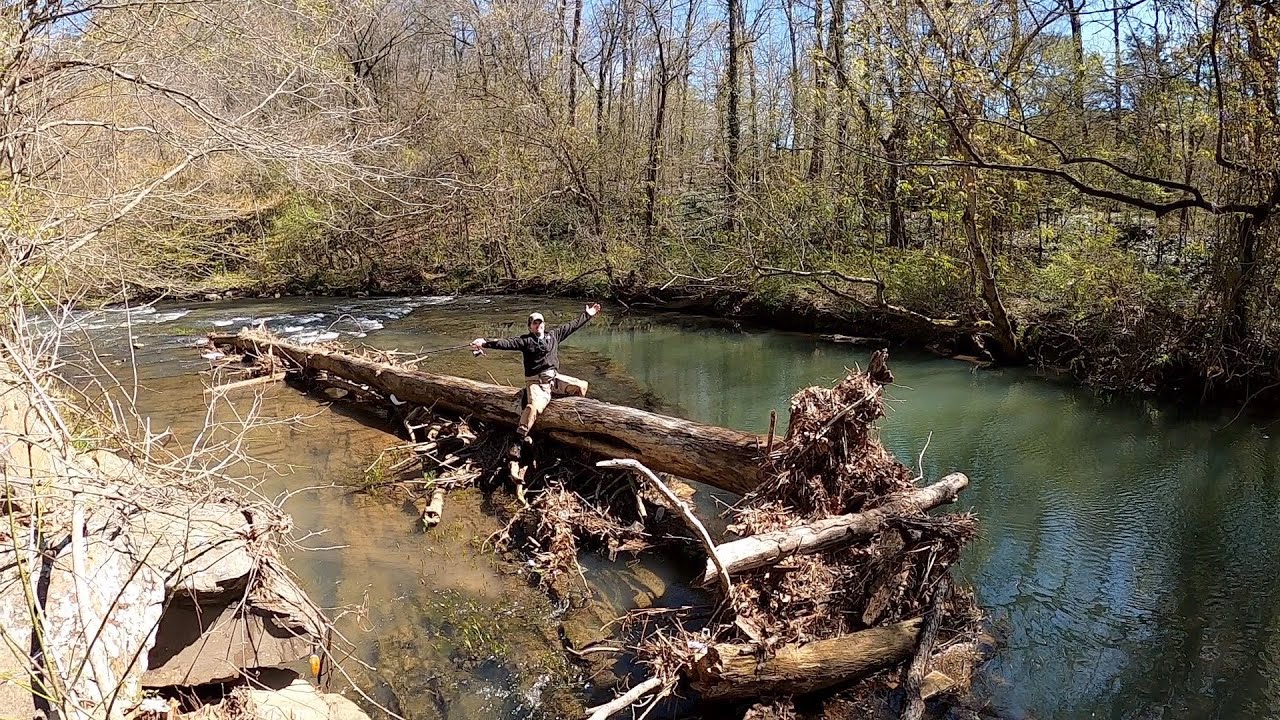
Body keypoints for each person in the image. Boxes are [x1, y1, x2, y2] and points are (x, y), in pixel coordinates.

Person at [471, 303, 602, 458]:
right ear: (530, 327)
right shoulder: (525, 341)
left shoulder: (553, 336)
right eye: (535, 323)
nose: (538, 325)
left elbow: (572, 326)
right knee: (533, 407)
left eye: (540, 322)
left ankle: (572, 421)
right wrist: (484, 342)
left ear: (544, 324)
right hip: (537, 383)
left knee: (581, 386)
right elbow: (505, 343)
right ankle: (518, 441)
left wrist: (588, 314)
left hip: (554, 379)